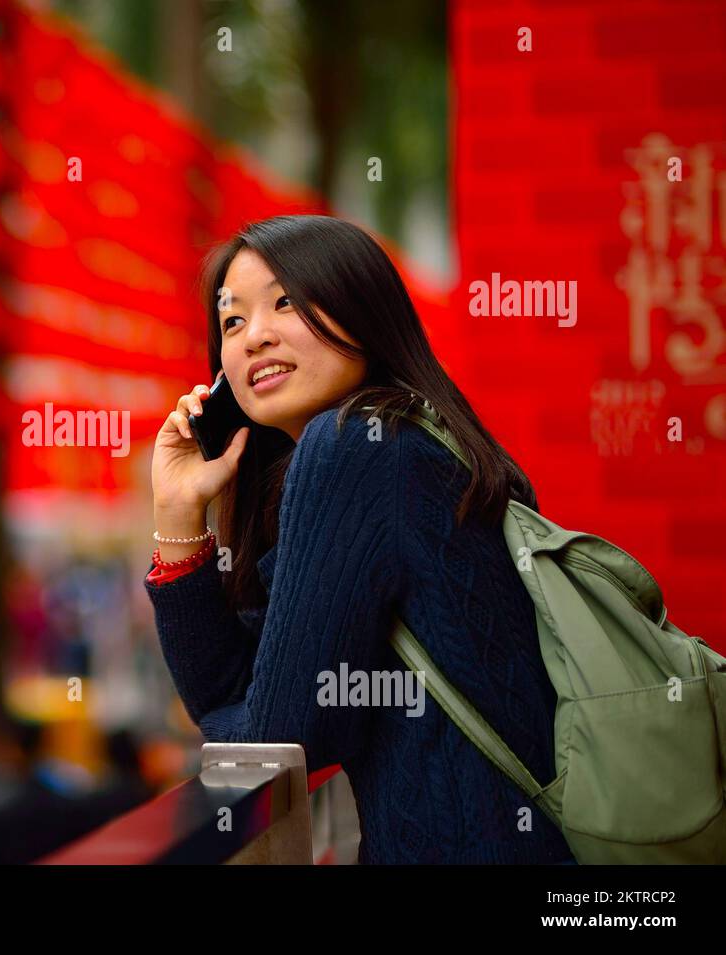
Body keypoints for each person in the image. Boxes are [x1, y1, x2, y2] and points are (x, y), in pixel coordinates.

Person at [146, 214, 575, 864]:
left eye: (285, 302)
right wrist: (178, 511)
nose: (255, 336)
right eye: (232, 322)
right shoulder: (413, 441)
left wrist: (252, 708)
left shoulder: (354, 446)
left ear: (363, 310)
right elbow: (233, 698)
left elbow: (272, 739)